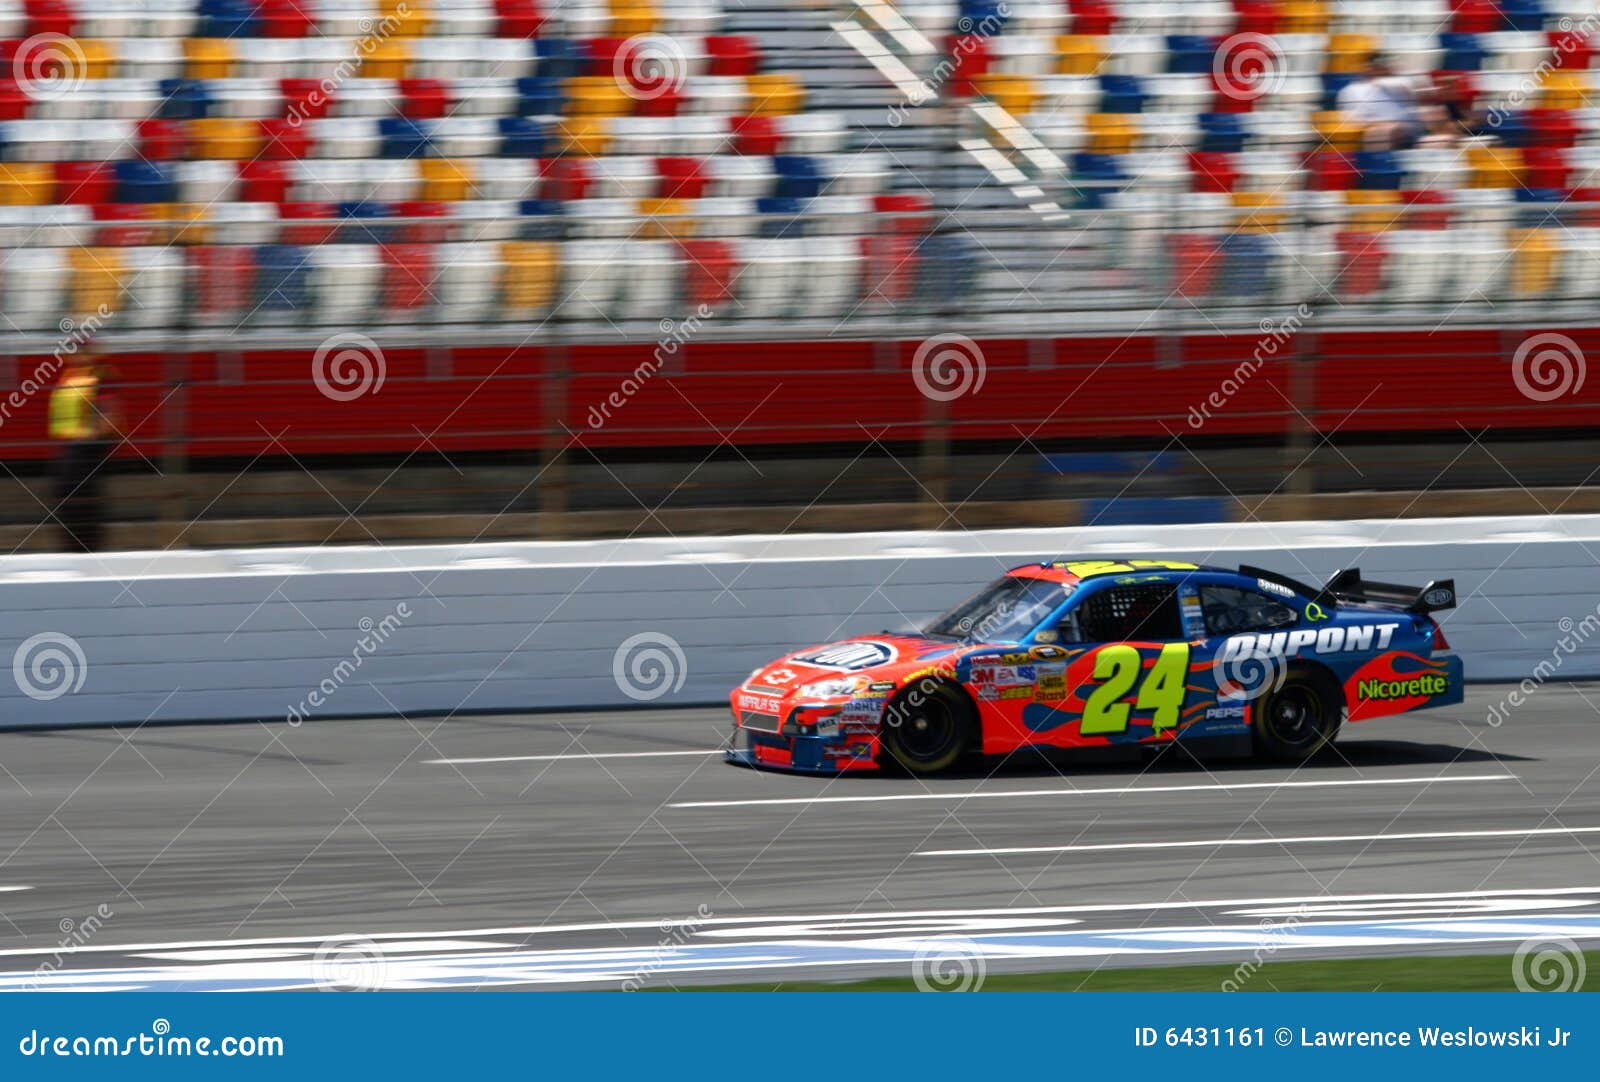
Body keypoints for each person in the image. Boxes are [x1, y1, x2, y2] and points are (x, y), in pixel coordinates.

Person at [48, 350, 118, 552]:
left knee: (81, 501)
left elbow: (109, 413)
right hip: (69, 448)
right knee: (66, 498)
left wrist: (92, 438)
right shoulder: (72, 374)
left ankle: (86, 549)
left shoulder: (101, 374)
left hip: (87, 449)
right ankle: (75, 548)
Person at [1336, 54, 1423, 150]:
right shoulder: (1351, 90)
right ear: (1367, 68)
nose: (1382, 69)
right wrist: (1384, 124)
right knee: (1380, 133)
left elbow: (1415, 95)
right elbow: (1352, 120)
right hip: (1373, 132)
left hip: (1408, 133)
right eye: (1377, 66)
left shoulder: (1401, 83)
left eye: (1385, 65)